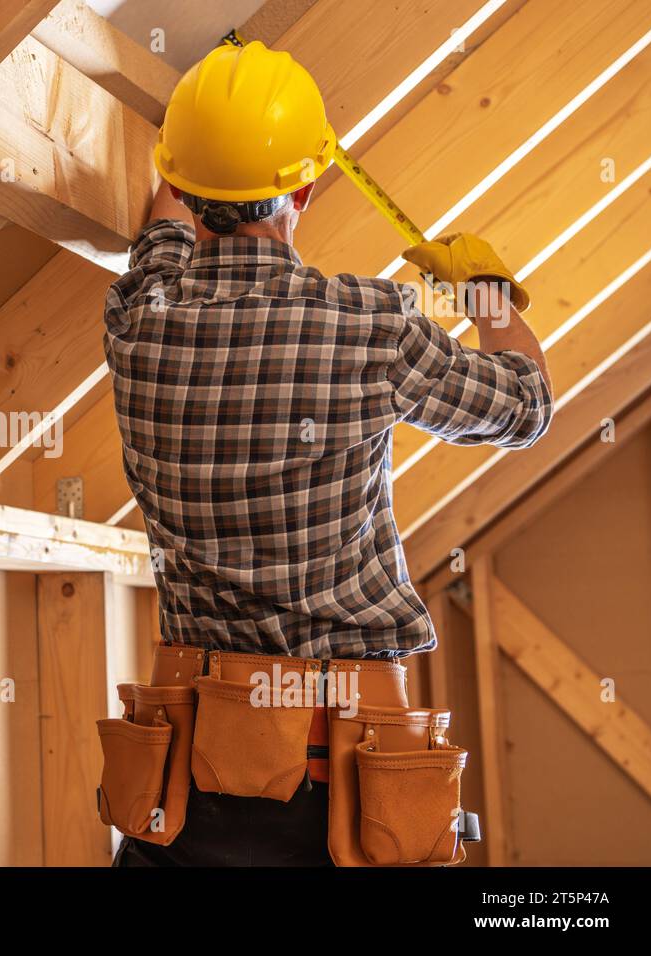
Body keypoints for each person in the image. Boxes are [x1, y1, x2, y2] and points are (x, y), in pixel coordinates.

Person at [104, 40, 553, 866]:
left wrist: (193, 161)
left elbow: (161, 235)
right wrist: (489, 298)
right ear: (306, 187)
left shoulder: (140, 318)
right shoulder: (370, 325)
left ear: (183, 183)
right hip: (349, 784)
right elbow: (524, 407)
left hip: (185, 787)